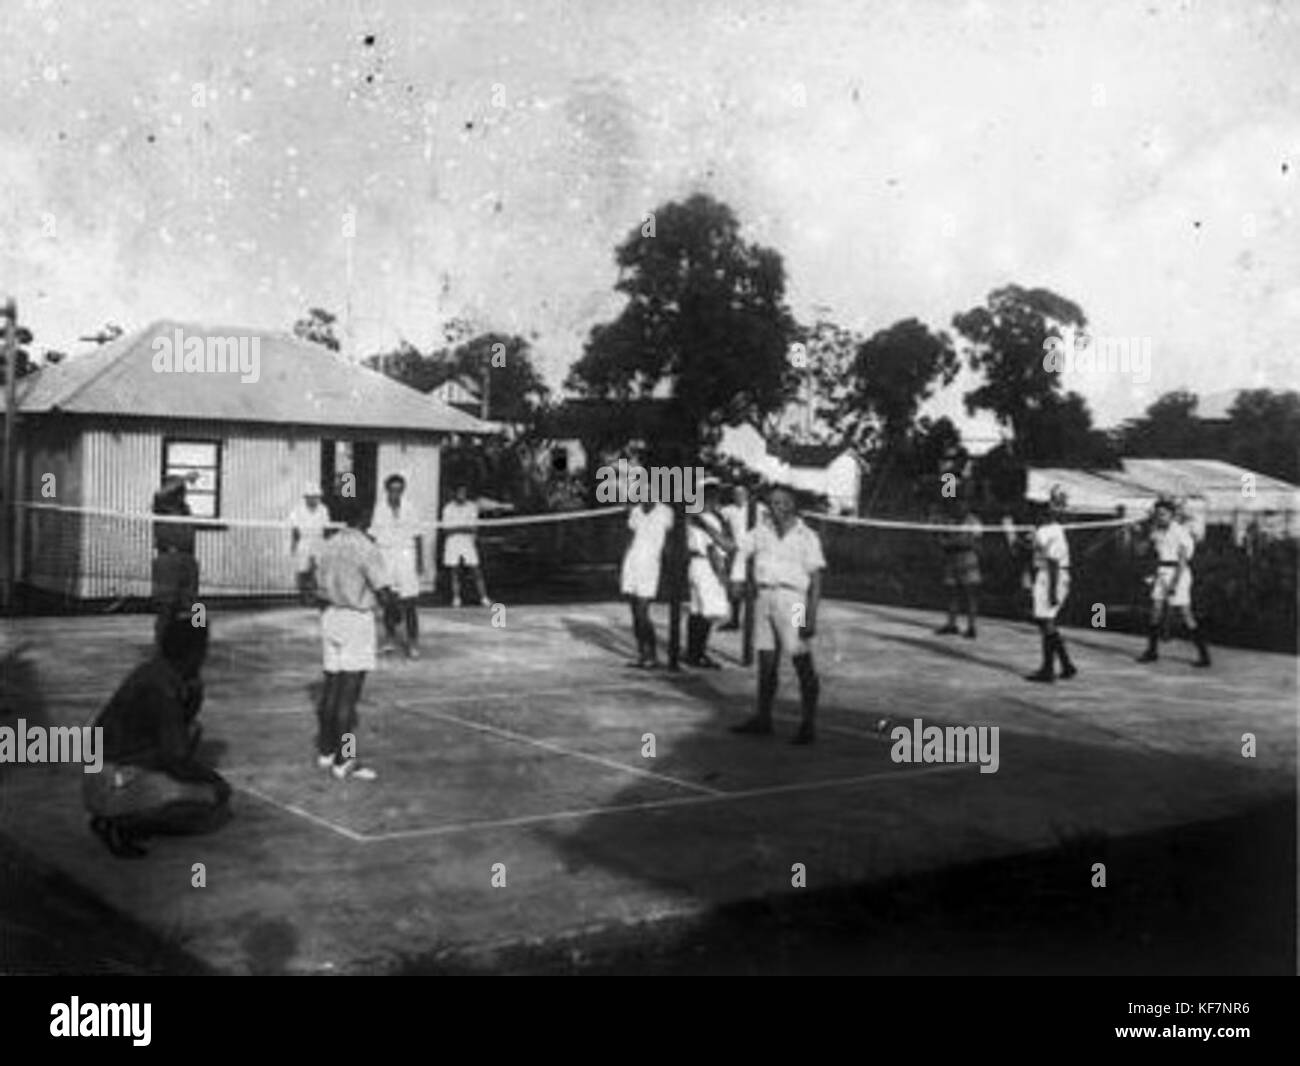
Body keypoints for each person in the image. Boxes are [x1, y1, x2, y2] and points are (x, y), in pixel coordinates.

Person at [84, 616, 230, 859]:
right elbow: (176, 755)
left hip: (111, 768)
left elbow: (180, 736)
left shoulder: (157, 672)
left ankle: (121, 810)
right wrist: (213, 780)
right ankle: (122, 821)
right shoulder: (162, 688)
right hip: (113, 777)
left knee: (193, 732)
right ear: (192, 653)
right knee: (208, 802)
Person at [730, 484, 825, 744]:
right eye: (772, 503)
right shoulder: (761, 532)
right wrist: (737, 579)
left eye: (782, 502)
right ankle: (763, 719)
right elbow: (740, 550)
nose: (776, 508)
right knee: (766, 664)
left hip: (794, 601)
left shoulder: (808, 536)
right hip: (764, 598)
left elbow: (816, 581)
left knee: (801, 661)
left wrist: (810, 616)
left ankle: (808, 724)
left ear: (793, 505)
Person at [316, 495, 393, 781]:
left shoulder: (329, 544)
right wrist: (392, 611)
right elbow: (383, 589)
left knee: (331, 689)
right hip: (356, 620)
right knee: (349, 696)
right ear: (364, 514)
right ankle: (344, 760)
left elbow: (317, 588)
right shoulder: (366, 547)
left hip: (331, 616)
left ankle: (326, 750)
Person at [1138, 497, 1210, 667]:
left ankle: (1204, 655)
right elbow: (1144, 550)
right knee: (1155, 610)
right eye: (1157, 514)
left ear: (1171, 515)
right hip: (1162, 572)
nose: (1159, 516)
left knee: (1185, 613)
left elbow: (1183, 561)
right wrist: (1142, 533)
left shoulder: (1180, 531)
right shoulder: (1156, 531)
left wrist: (1174, 584)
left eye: (1163, 514)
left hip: (1179, 573)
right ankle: (1152, 651)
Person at [1025, 487, 1077, 683]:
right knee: (1045, 622)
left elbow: (1053, 562)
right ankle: (1066, 665)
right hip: (1048, 574)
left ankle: (1048, 670)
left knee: (1046, 622)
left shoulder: (1049, 530)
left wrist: (1053, 590)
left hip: (1052, 576)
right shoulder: (1045, 530)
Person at [369, 473, 423, 657]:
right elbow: (373, 536)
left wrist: (420, 562)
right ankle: (390, 639)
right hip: (386, 557)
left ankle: (413, 643)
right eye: (392, 490)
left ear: (403, 490)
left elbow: (418, 535)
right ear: (387, 490)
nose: (396, 493)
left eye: (399, 490)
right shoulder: (379, 509)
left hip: (407, 557)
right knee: (388, 601)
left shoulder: (410, 508)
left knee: (410, 602)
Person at [620, 498, 674, 669]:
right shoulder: (635, 511)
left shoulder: (666, 512)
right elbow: (630, 540)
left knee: (643, 612)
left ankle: (652, 655)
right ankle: (643, 655)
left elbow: (670, 542)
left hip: (650, 565)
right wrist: (624, 567)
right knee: (635, 612)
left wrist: (668, 570)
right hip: (632, 563)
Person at [684, 482, 734, 668]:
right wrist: (722, 574)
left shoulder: (692, 518)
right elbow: (713, 548)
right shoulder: (708, 520)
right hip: (706, 566)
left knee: (697, 611)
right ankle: (698, 654)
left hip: (694, 565)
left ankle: (692, 653)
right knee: (708, 612)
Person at [151, 473, 199, 646]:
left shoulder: (185, 509)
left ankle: (198, 635)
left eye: (183, 490)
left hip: (188, 559)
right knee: (166, 605)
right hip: (167, 561)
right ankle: (162, 641)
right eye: (179, 489)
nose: (182, 493)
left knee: (195, 605)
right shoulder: (161, 506)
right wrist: (185, 478)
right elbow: (161, 493)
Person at [936, 501, 983, 638]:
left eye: (962, 505)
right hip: (952, 560)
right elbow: (941, 539)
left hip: (968, 561)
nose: (959, 508)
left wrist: (952, 543)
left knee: (970, 596)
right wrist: (947, 542)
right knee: (951, 593)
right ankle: (951, 624)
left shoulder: (974, 522)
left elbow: (974, 543)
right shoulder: (948, 520)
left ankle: (971, 627)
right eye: (956, 506)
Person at [441, 485, 489, 608]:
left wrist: (458, 528)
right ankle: (456, 598)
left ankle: (484, 598)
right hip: (453, 542)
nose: (461, 494)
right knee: (455, 572)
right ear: (455, 493)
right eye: (459, 492)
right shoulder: (448, 508)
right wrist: (463, 528)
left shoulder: (472, 507)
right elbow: (446, 530)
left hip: (468, 543)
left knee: (476, 570)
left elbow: (473, 528)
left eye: (464, 492)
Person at [289, 480, 329, 605]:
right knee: (303, 570)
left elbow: (326, 529)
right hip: (304, 542)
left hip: (318, 541)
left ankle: (314, 596)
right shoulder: (298, 510)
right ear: (306, 498)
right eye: (311, 497)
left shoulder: (323, 509)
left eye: (316, 497)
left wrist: (326, 546)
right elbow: (295, 530)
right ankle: (304, 596)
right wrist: (294, 545)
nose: (313, 500)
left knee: (316, 570)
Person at [718, 485, 750, 631]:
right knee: (735, 587)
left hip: (752, 553)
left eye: (741, 493)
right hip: (737, 553)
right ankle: (735, 620)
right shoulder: (728, 510)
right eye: (735, 494)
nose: (738, 496)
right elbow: (716, 517)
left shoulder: (756, 509)